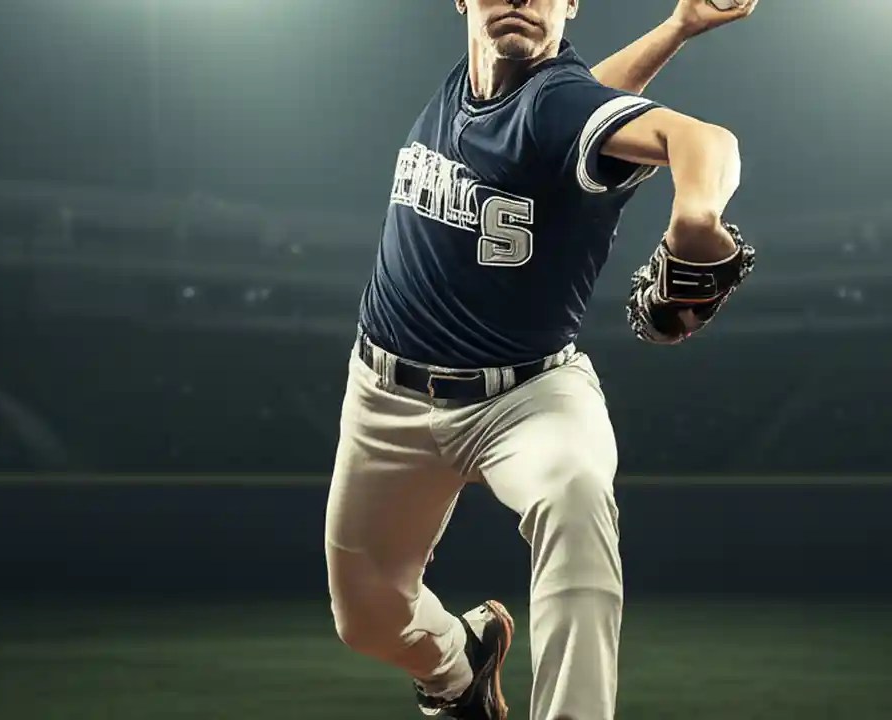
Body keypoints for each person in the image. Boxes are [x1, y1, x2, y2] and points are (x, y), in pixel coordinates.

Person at [324, 1, 759, 718]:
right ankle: (457, 667)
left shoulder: (559, 101)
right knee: (367, 620)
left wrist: (695, 220)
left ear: (570, 3)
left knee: (575, 494)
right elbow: (576, 107)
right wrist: (678, 27)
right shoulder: (485, 89)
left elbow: (706, 141)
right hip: (384, 398)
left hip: (526, 400)